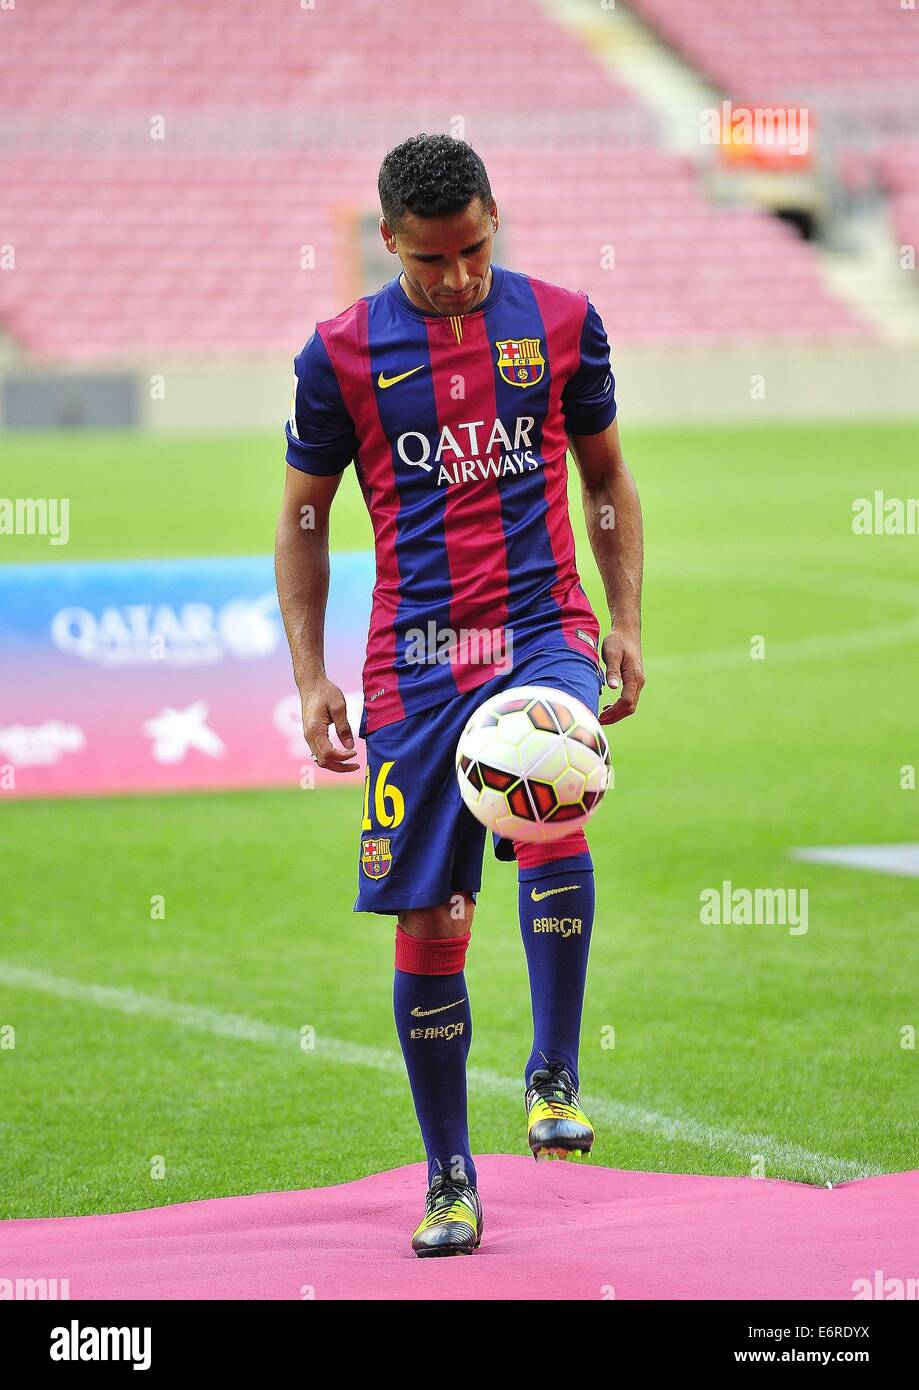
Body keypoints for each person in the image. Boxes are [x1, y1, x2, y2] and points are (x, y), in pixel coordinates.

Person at [275, 133, 644, 1257]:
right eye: (433, 260)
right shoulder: (337, 356)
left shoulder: (563, 321)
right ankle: (448, 1177)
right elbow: (303, 519)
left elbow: (607, 479)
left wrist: (624, 620)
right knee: (431, 919)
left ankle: (553, 1071)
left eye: (475, 250)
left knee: (552, 788)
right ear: (386, 241)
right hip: (415, 659)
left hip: (540, 627)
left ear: (493, 221)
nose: (459, 277)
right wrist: (309, 673)